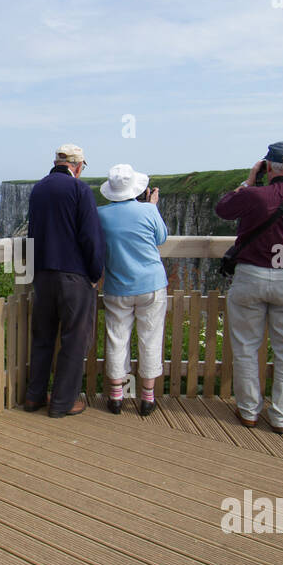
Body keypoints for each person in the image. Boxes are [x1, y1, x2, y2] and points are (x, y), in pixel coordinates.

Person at [215, 142, 283, 433]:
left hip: (251, 276)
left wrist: (250, 180)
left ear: (268, 166)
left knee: (247, 348)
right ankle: (282, 417)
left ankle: (249, 410)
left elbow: (223, 209)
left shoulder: (253, 195)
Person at [23, 144, 105, 417]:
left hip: (43, 275)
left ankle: (34, 396)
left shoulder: (39, 188)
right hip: (73, 275)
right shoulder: (80, 190)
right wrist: (95, 273)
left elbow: (32, 233)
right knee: (73, 340)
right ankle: (62, 403)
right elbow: (90, 236)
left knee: (43, 337)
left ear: (56, 162)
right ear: (78, 166)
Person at [98, 164, 168, 416]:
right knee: (150, 337)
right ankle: (147, 398)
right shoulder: (148, 210)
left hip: (118, 286)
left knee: (117, 337)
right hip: (151, 284)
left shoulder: (100, 214)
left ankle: (117, 396)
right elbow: (161, 238)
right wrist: (153, 206)